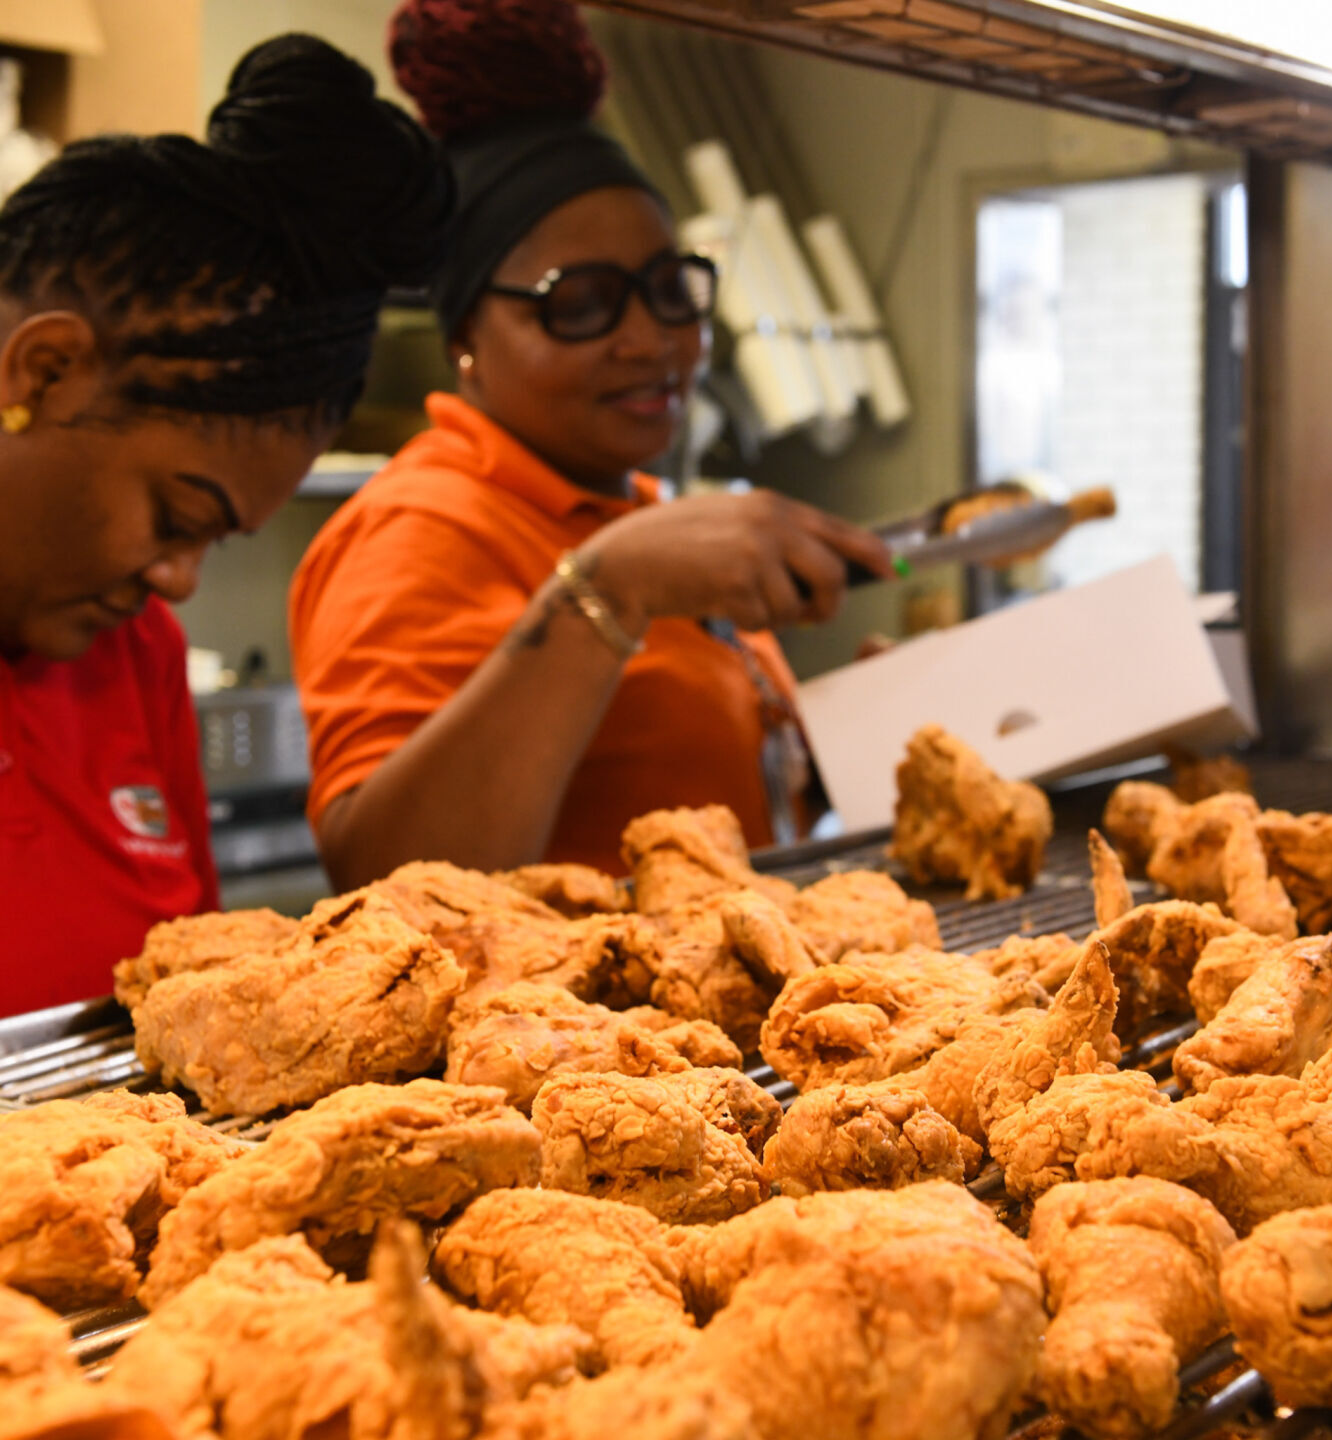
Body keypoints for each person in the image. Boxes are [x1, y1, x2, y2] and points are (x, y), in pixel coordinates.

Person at [289, 0, 890, 889]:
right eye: (580, 302)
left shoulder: (637, 509)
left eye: (669, 288)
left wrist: (862, 731)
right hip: (561, 1028)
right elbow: (384, 878)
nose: (652, 339)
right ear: (465, 335)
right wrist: (607, 588)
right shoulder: (421, 527)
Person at [0, 35, 452, 1015]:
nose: (179, 582)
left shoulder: (136, 654)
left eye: (214, 542)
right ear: (41, 374)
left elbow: (188, 1015)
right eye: (176, 517)